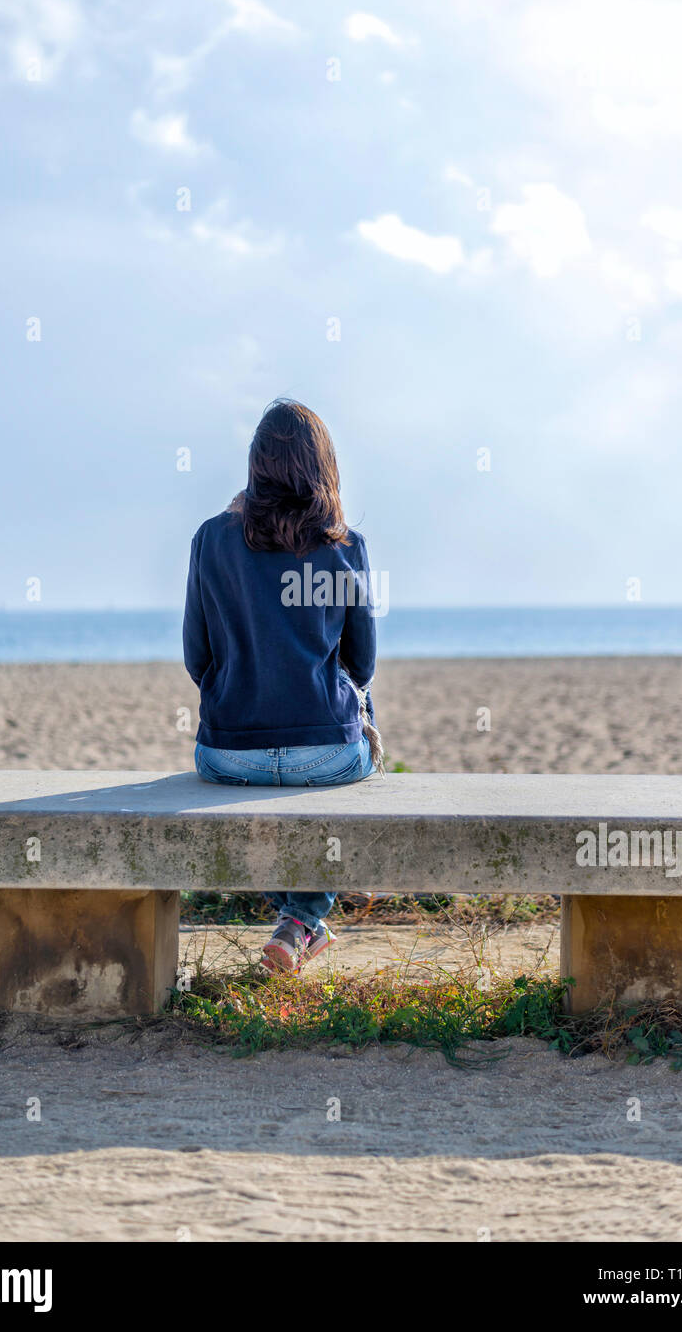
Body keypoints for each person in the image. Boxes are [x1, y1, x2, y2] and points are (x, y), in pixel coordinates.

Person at [182, 397, 381, 975]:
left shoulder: (211, 539)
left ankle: (299, 922)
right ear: (323, 467)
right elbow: (362, 665)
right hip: (325, 756)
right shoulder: (346, 546)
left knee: (279, 758)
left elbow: (197, 658)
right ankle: (301, 920)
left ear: (256, 466)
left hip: (227, 755)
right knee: (358, 713)